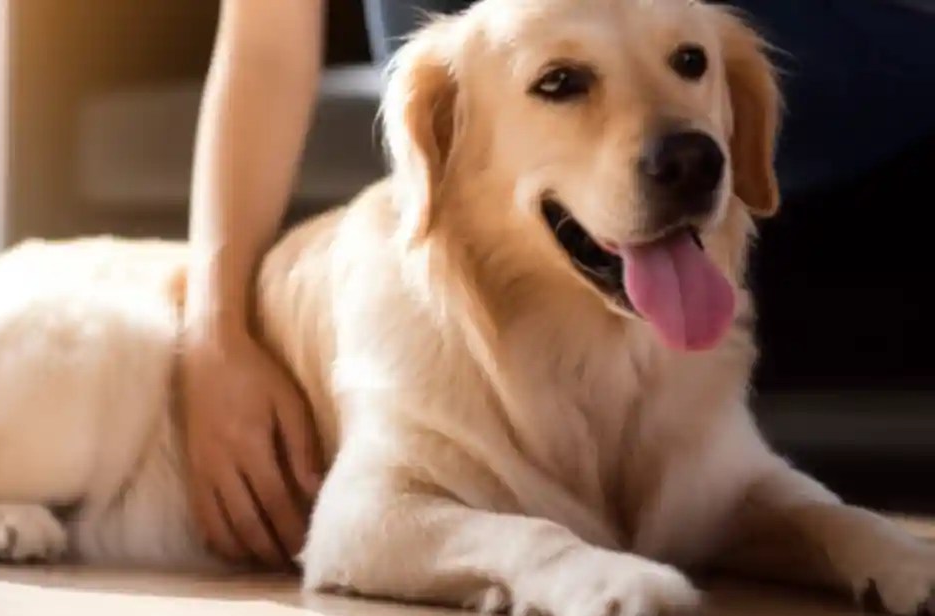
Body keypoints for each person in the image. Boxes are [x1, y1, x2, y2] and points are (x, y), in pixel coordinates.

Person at [179, 0, 935, 569]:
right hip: (484, 135)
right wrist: (214, 335)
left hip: (849, 121)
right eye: (565, 80)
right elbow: (266, 50)